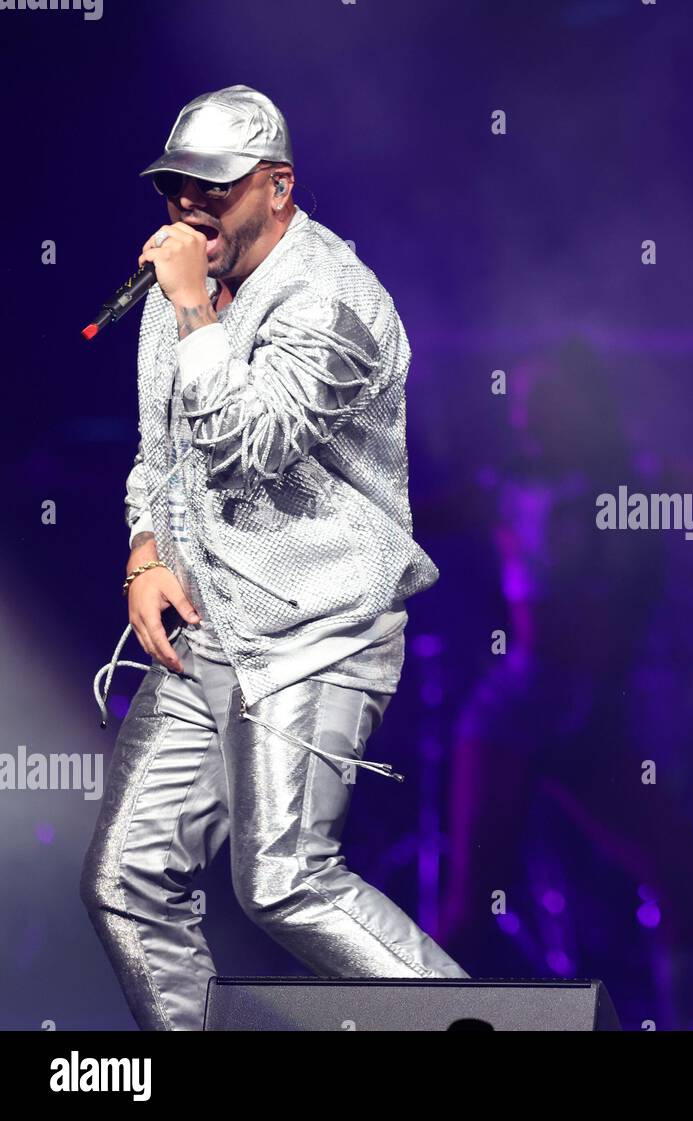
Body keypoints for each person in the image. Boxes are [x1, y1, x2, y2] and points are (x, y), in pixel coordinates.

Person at [80, 84, 467, 1031]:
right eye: (176, 186)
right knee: (126, 880)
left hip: (316, 631)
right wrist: (144, 554)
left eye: (214, 187)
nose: (189, 206)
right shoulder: (187, 300)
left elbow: (251, 441)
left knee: (284, 880)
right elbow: (161, 452)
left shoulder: (333, 298)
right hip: (205, 625)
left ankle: (479, 1031)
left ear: (279, 187)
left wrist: (189, 310)